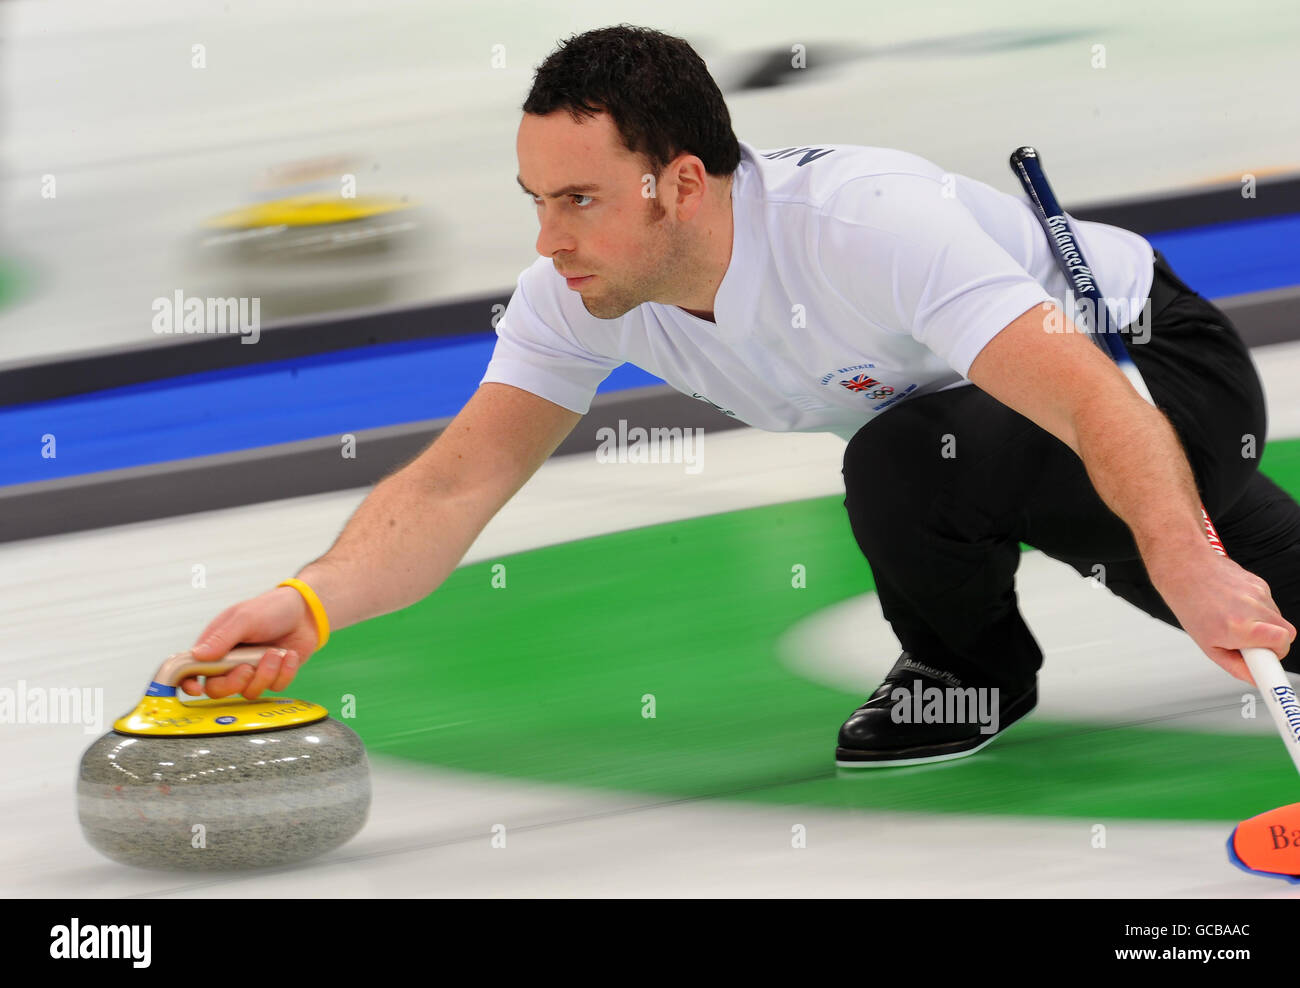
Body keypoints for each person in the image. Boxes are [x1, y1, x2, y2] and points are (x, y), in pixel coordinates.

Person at [187, 24, 1299, 767]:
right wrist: (314, 598)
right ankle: (965, 675)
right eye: (535, 199)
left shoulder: (865, 226)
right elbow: (458, 480)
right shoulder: (575, 290)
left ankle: (1086, 614)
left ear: (679, 183)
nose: (548, 237)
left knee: (924, 453)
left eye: (577, 197)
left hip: (1151, 368)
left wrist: (1186, 558)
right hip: (976, 425)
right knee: (921, 451)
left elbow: (1094, 407)